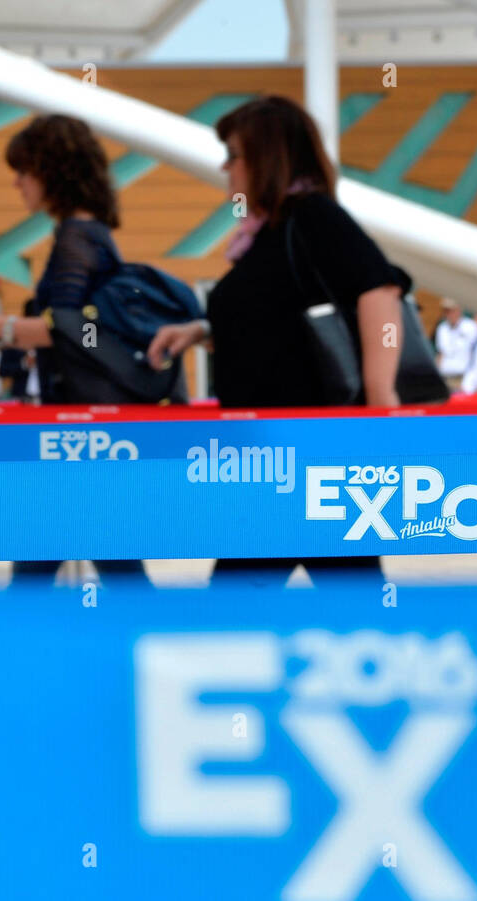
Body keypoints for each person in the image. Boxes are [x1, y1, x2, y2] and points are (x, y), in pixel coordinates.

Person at [146, 95, 405, 586]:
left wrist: (380, 401)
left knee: (244, 608)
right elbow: (271, 326)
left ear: (267, 157)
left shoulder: (312, 216)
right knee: (339, 599)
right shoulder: (266, 233)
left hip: (314, 453)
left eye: (234, 154)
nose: (226, 166)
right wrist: (201, 331)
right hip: (271, 459)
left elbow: (380, 288)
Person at [0, 113, 147, 585]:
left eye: (25, 170)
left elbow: (70, 328)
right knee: (103, 556)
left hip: (78, 426)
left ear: (54, 170)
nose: (17, 183)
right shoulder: (94, 233)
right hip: (90, 428)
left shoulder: (76, 238)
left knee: (51, 562)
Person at [434, 298, 477, 391]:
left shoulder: (470, 326)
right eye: (446, 311)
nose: (449, 314)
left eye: (451, 311)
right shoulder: (442, 328)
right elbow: (441, 353)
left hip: (460, 378)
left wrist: (469, 381)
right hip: (443, 376)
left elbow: (476, 351)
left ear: (458, 311)